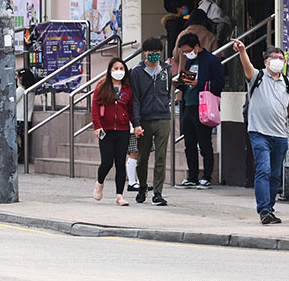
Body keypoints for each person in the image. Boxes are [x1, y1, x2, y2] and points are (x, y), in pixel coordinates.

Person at [234, 40, 289, 224]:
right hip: (259, 132)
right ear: (266, 61)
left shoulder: (287, 83)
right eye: (274, 57)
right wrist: (242, 51)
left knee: (274, 174)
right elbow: (247, 66)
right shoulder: (257, 76)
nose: (278, 61)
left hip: (280, 135)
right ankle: (264, 209)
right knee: (263, 169)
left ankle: (270, 209)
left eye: (281, 58)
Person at [174, 30, 224, 188]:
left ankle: (207, 176)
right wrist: (179, 84)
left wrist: (199, 84)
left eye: (188, 50)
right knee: (189, 143)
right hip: (188, 105)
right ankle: (192, 176)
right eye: (184, 52)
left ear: (196, 46)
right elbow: (187, 83)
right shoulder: (189, 62)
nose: (186, 54)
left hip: (203, 106)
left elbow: (219, 84)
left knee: (204, 142)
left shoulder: (211, 61)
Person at [130, 38, 171, 205]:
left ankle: (158, 193)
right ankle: (142, 187)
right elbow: (135, 99)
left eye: (156, 51)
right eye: (150, 51)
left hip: (163, 117)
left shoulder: (166, 70)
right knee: (142, 158)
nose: (153, 54)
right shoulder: (137, 72)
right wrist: (136, 123)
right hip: (145, 119)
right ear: (144, 53)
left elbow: (167, 92)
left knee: (161, 157)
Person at [91, 57, 134, 205]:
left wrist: (136, 125)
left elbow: (130, 110)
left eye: (121, 69)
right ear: (110, 70)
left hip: (123, 130)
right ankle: (99, 183)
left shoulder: (128, 89)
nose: (118, 71)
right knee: (107, 161)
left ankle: (119, 195)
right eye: (116, 68)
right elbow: (95, 108)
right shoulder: (102, 86)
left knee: (120, 163)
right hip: (106, 130)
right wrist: (97, 126)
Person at [171, 10, 219, 75]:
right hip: (205, 73)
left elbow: (175, 55)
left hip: (185, 73)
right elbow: (217, 56)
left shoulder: (182, 34)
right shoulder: (210, 36)